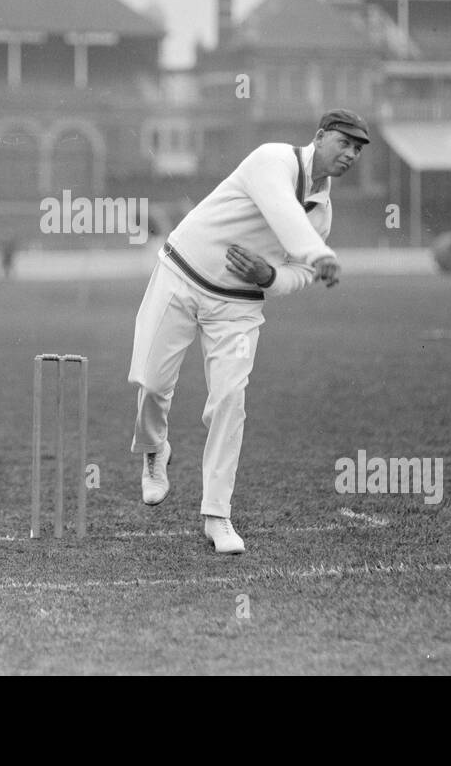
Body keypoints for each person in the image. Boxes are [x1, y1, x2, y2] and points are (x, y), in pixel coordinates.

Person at [128, 109, 368, 554]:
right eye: (344, 143)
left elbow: (297, 276)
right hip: (180, 273)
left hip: (237, 307)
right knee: (151, 382)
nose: (351, 154)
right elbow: (281, 212)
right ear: (318, 137)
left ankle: (217, 515)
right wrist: (318, 254)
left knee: (229, 402)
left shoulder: (321, 215)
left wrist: (269, 276)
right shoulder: (271, 159)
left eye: (357, 149)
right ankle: (154, 448)